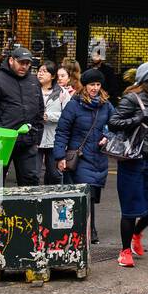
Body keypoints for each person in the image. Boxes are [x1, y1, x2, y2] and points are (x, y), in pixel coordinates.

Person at [107, 61, 148, 269]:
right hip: (133, 159)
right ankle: (125, 250)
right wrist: (137, 118)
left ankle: (137, 232)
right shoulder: (132, 99)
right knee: (130, 209)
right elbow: (113, 123)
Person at [53, 68, 111, 243]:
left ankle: (86, 229)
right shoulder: (74, 104)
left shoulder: (106, 105)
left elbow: (115, 126)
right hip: (79, 156)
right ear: (84, 86)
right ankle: (86, 230)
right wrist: (59, 156)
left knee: (91, 194)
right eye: (91, 84)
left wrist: (108, 137)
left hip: (98, 157)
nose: (95, 88)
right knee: (83, 193)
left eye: (98, 84)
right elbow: (62, 131)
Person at [0, 46, 43, 185]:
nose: (24, 66)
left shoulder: (33, 81)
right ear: (11, 60)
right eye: (21, 62)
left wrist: (37, 136)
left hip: (27, 140)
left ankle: (27, 207)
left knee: (30, 179)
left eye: (27, 63)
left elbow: (39, 109)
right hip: (3, 141)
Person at [38, 61, 68, 184]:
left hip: (53, 139)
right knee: (32, 174)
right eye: (39, 71)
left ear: (52, 76)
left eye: (44, 71)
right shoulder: (32, 90)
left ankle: (52, 200)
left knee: (54, 174)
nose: (40, 74)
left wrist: (49, 116)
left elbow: (68, 115)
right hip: (35, 138)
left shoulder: (61, 92)